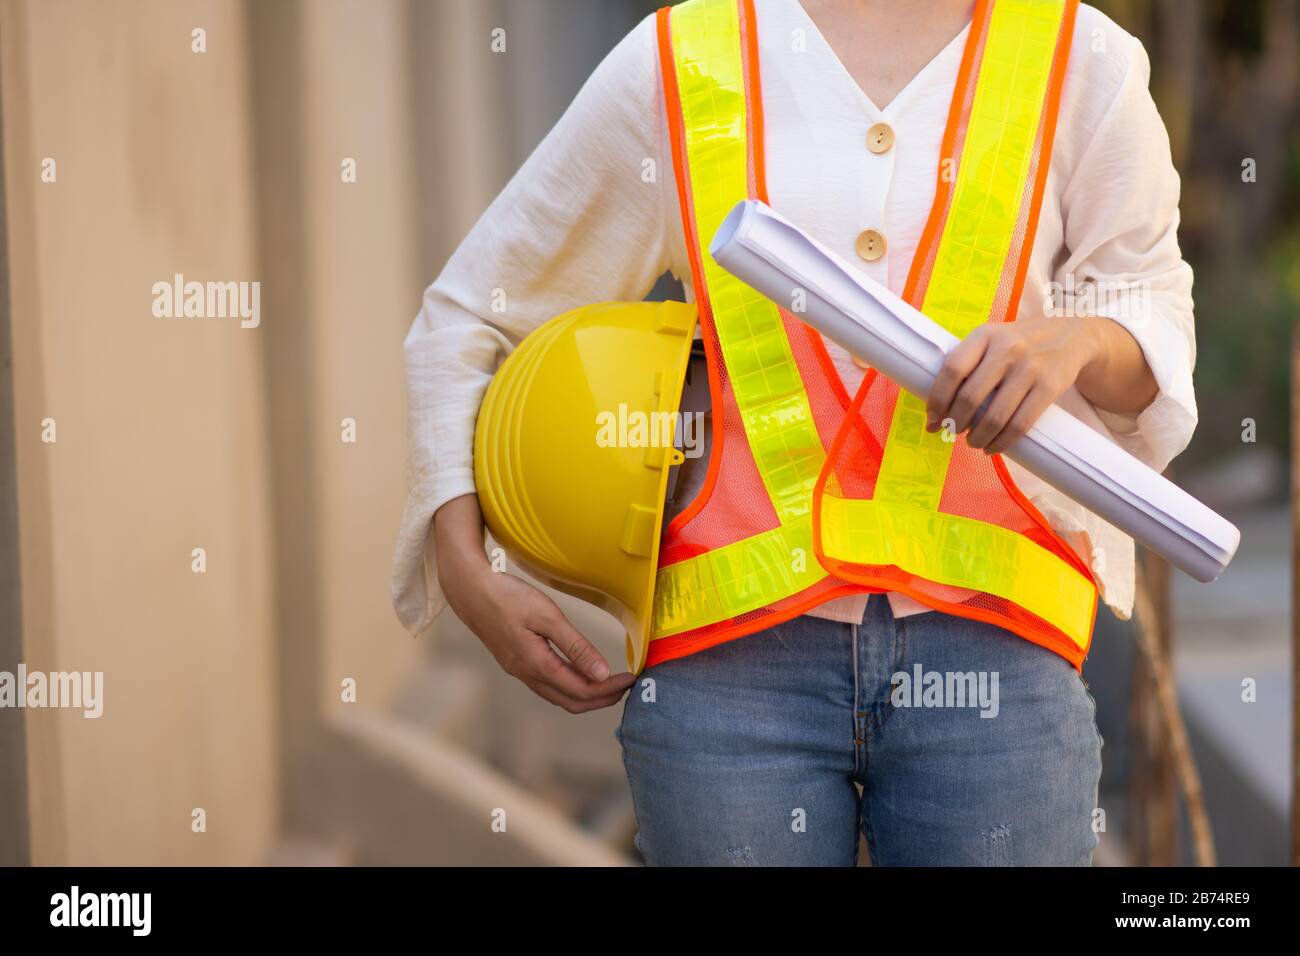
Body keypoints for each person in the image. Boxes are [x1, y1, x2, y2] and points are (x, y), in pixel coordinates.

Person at [392, 0, 1196, 866]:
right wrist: (466, 570)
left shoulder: (1082, 59)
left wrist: (1078, 340)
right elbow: (477, 306)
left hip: (997, 657)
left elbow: (1148, 313)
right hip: (730, 670)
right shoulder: (686, 56)